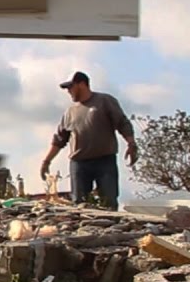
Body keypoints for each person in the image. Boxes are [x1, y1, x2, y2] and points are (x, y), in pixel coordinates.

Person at [39, 71, 137, 211]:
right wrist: (46, 161)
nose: (69, 91)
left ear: (82, 84)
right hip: (79, 164)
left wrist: (131, 143)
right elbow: (60, 139)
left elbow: (122, 123)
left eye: (71, 87)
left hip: (104, 161)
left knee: (108, 201)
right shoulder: (70, 112)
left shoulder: (104, 101)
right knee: (79, 203)